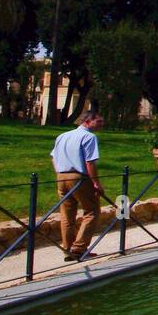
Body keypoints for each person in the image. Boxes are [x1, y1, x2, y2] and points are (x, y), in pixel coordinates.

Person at [51, 112, 105, 262]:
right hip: (79, 177)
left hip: (61, 177)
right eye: (99, 121)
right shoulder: (89, 137)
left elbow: (53, 157)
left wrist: (60, 172)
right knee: (92, 211)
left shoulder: (62, 136)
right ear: (87, 121)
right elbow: (90, 162)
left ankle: (68, 249)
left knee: (67, 215)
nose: (102, 125)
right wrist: (96, 183)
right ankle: (79, 248)